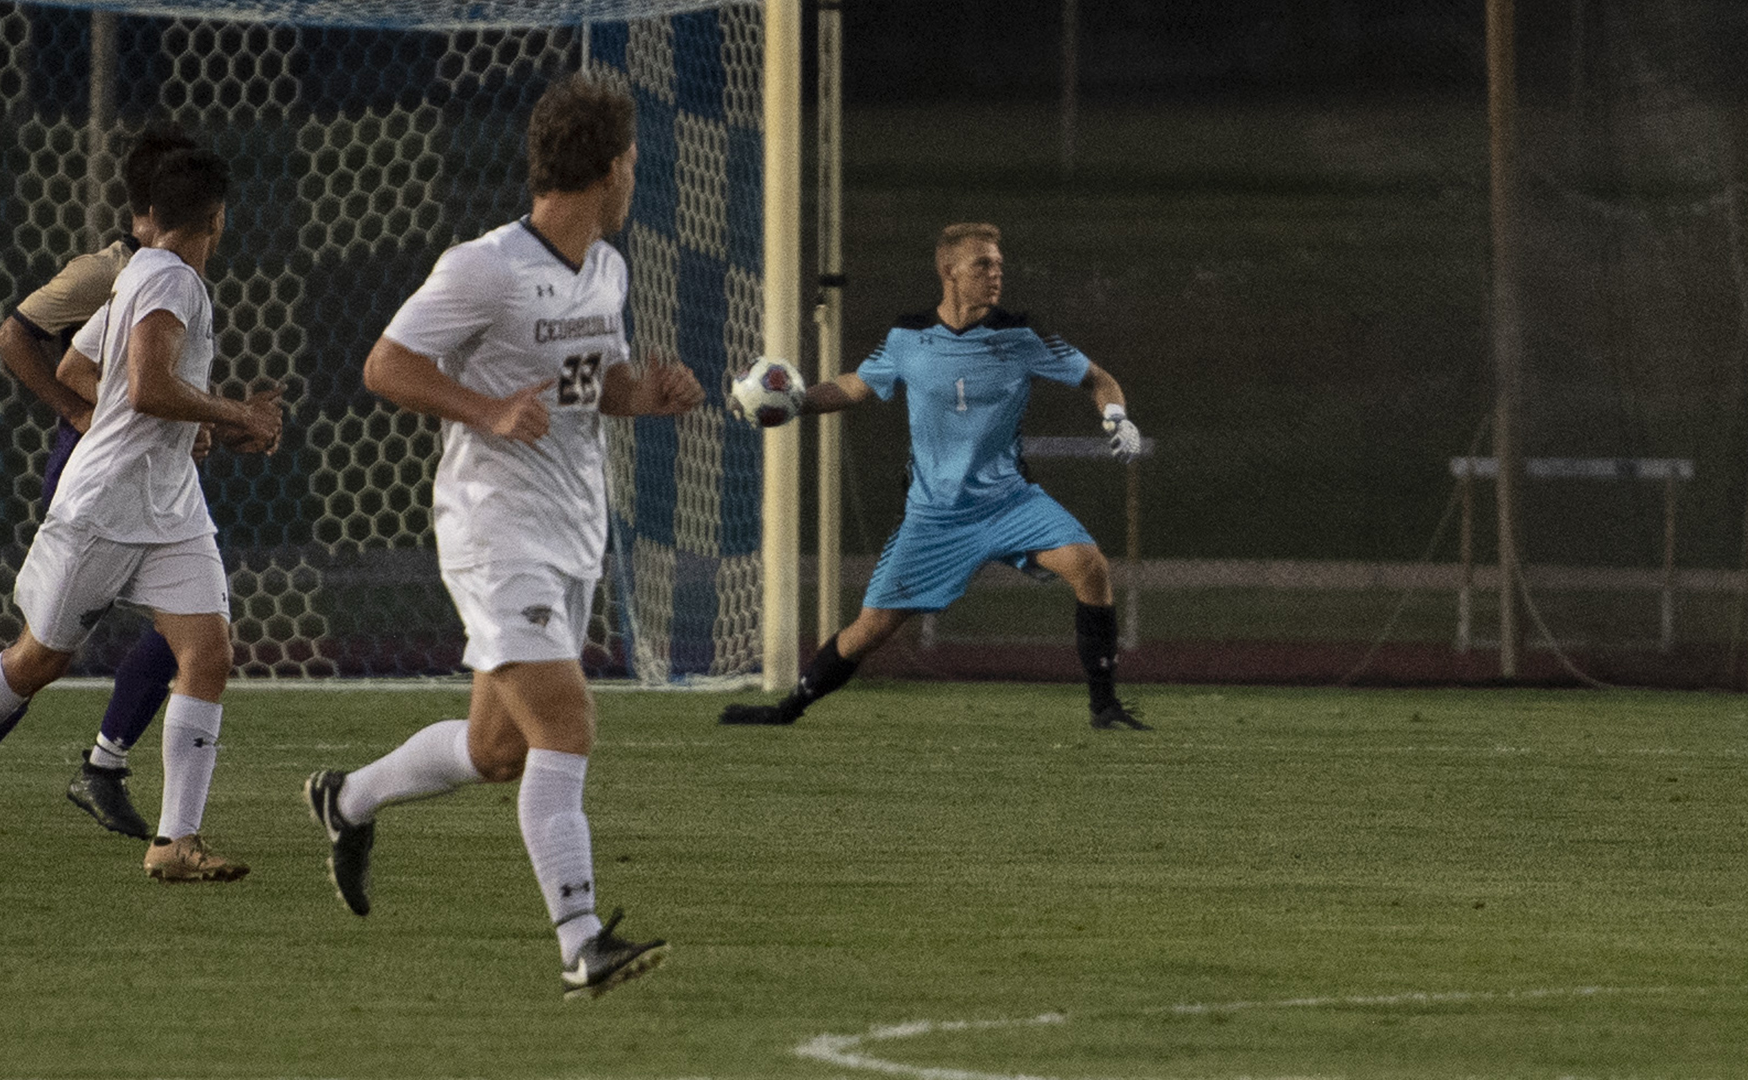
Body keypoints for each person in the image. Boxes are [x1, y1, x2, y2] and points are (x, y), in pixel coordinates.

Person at [302, 72, 701, 1000]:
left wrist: (643, 396)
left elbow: (590, 384)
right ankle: (582, 941)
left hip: (574, 529)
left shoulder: (607, 266)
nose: (634, 176)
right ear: (608, 168)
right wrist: (482, 409)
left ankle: (347, 798)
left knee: (500, 751)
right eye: (631, 160)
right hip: (492, 530)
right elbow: (386, 364)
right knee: (567, 721)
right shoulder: (482, 265)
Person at [0, 148, 284, 881]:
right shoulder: (172, 279)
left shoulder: (141, 272)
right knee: (38, 660)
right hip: (105, 504)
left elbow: (80, 369)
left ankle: (176, 842)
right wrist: (229, 409)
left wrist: (197, 425)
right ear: (217, 218)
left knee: (207, 653)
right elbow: (147, 387)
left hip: (167, 503)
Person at [719, 223, 1150, 731]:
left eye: (998, 266)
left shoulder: (1021, 336)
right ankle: (785, 710)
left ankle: (1105, 708)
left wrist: (1117, 417)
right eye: (982, 265)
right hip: (935, 516)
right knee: (871, 628)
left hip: (1009, 502)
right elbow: (856, 384)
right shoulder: (907, 338)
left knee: (1089, 564)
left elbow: (1098, 379)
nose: (995, 275)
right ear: (948, 272)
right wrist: (794, 403)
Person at [0, 125, 201, 841]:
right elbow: (16, 337)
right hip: (95, 478)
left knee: (196, 630)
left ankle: (102, 765)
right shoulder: (109, 271)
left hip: (149, 479)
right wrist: (78, 409)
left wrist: (204, 424)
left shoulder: (174, 274)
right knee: (42, 652)